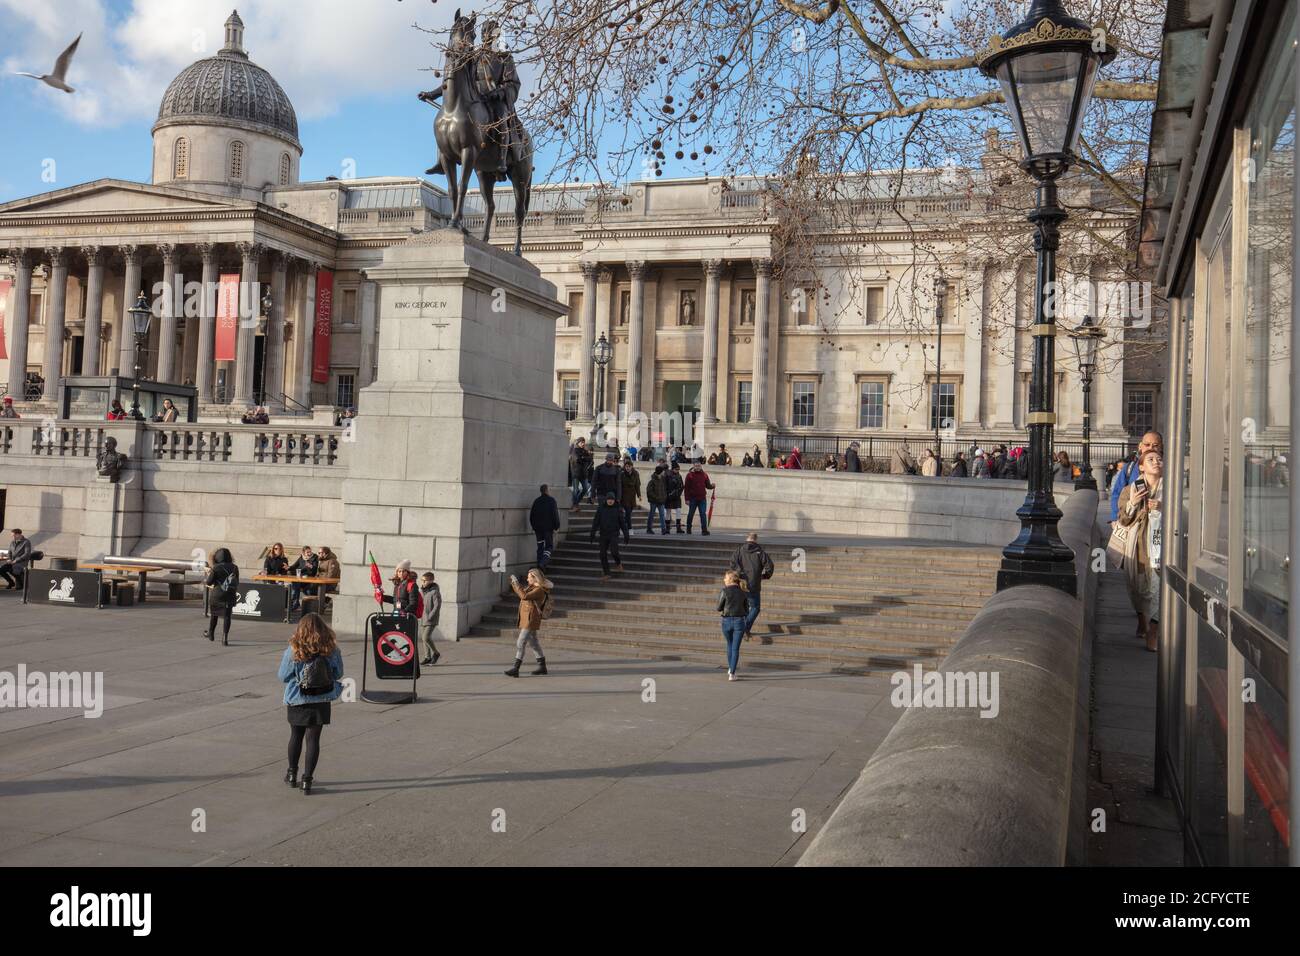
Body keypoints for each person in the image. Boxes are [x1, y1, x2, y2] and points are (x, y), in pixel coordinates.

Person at [277, 611, 344, 795]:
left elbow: (283, 676)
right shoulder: (331, 649)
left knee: (295, 736)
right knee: (313, 739)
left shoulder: (294, 649)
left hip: (298, 698)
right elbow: (338, 674)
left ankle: (291, 775)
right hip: (321, 698)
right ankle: (307, 780)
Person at [1116, 448, 1165, 653]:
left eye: (1159, 459)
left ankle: (1153, 631)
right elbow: (1123, 519)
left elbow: (1184, 513)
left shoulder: (1171, 489)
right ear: (1142, 467)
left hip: (1162, 545)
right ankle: (1142, 619)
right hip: (1138, 546)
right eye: (1151, 459)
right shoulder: (1131, 489)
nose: (1156, 462)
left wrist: (1162, 507)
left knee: (1158, 589)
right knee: (1138, 589)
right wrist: (1133, 503)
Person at [504, 568, 553, 677]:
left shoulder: (539, 590)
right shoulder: (532, 587)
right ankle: (542, 667)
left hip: (531, 619)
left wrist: (516, 583)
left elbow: (524, 596)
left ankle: (516, 668)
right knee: (534, 643)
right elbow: (522, 593)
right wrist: (514, 583)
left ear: (535, 578)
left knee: (520, 642)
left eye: (529, 577)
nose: (527, 579)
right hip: (529, 618)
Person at [1111, 431, 1164, 523]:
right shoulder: (1129, 468)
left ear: (1161, 447)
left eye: (1155, 445)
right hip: (1133, 522)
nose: (1151, 448)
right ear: (1140, 446)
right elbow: (1117, 494)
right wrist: (1115, 518)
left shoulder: (1168, 470)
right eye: (1147, 445)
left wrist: (1161, 506)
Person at [729, 532, 774, 638]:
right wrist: (765, 576)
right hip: (754, 583)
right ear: (756, 540)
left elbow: (732, 563)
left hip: (740, 582)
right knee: (755, 607)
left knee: (745, 606)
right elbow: (770, 566)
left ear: (747, 538)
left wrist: (739, 573)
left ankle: (741, 627)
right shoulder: (760, 552)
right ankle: (745, 627)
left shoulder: (739, 550)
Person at [717, 570, 750, 681]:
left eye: (725, 578)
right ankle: (732, 672)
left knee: (729, 644)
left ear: (730, 579)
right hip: (739, 622)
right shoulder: (743, 592)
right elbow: (747, 610)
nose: (724, 579)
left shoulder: (724, 591)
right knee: (735, 648)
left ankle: (730, 668)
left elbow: (719, 608)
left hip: (726, 621)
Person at [203, 547, 239, 645]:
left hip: (217, 595)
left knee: (214, 615)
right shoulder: (235, 567)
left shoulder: (216, 567)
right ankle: (225, 638)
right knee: (227, 617)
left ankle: (211, 633)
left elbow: (209, 582)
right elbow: (237, 582)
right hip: (229, 595)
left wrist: (209, 573)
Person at [590, 491, 625, 579]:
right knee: (602, 554)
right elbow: (596, 521)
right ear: (606, 500)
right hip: (603, 534)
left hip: (614, 534)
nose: (610, 501)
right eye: (609, 499)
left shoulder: (618, 508)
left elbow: (623, 523)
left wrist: (626, 534)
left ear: (614, 500)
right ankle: (607, 573)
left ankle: (618, 563)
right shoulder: (601, 508)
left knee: (614, 551)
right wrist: (592, 533)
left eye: (612, 499)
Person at [529, 483, 561, 568]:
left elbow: (531, 515)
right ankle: (542, 563)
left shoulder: (536, 501)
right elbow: (555, 514)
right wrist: (557, 526)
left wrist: (534, 526)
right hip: (548, 529)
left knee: (540, 546)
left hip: (538, 529)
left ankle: (539, 565)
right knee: (549, 547)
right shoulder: (551, 500)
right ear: (547, 490)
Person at [417, 572, 442, 666]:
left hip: (431, 619)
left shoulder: (435, 591)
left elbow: (437, 606)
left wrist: (430, 616)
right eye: (422, 580)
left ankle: (436, 653)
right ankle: (427, 657)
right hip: (423, 618)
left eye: (425, 580)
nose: (422, 582)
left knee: (426, 637)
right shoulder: (423, 590)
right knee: (424, 639)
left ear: (431, 581)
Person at [684, 462, 715, 535]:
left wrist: (712, 486)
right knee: (691, 514)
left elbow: (708, 485)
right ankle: (688, 529)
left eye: (699, 466)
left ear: (701, 466)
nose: (697, 467)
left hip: (702, 498)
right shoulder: (689, 475)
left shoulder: (704, 475)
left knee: (703, 514)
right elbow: (686, 488)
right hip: (692, 498)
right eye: (696, 466)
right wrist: (686, 499)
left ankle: (704, 530)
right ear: (693, 466)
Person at [288, 546, 318, 612]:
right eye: (307, 552)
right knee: (295, 583)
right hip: (301, 578)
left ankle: (295, 604)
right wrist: (288, 567)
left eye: (310, 551)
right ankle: (295, 603)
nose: (309, 553)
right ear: (303, 553)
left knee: (295, 585)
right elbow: (294, 566)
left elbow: (315, 570)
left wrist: (311, 566)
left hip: (309, 579)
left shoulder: (315, 557)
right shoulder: (301, 558)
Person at [619, 457, 641, 544]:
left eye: (629, 466)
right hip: (624, 496)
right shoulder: (622, 474)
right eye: (626, 466)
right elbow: (619, 486)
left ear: (632, 466)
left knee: (629, 513)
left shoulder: (636, 474)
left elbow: (637, 485)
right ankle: (629, 528)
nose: (627, 468)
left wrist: (639, 495)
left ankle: (622, 526)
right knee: (628, 513)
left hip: (632, 496)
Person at [568, 437, 593, 511]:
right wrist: (584, 458)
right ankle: (575, 505)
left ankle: (575, 503)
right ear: (578, 443)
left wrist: (583, 458)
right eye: (581, 442)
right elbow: (578, 459)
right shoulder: (574, 451)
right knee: (576, 490)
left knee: (585, 489)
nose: (583, 444)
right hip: (576, 473)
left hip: (584, 473)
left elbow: (590, 460)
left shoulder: (585, 451)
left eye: (583, 442)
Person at [645, 463, 668, 534]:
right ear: (660, 472)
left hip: (661, 500)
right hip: (654, 501)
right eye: (663, 471)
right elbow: (649, 491)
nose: (664, 472)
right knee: (651, 515)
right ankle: (649, 529)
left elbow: (664, 489)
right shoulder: (652, 480)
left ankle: (663, 529)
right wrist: (656, 497)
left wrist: (664, 497)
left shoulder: (662, 479)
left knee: (662, 515)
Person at [665, 462, 685, 534]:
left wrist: (679, 493)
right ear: (673, 469)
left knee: (678, 511)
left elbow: (682, 485)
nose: (677, 471)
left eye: (678, 469)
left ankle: (678, 528)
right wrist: (667, 495)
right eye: (676, 469)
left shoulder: (679, 476)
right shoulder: (667, 475)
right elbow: (665, 486)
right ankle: (667, 528)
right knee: (668, 512)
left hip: (677, 496)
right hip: (669, 496)